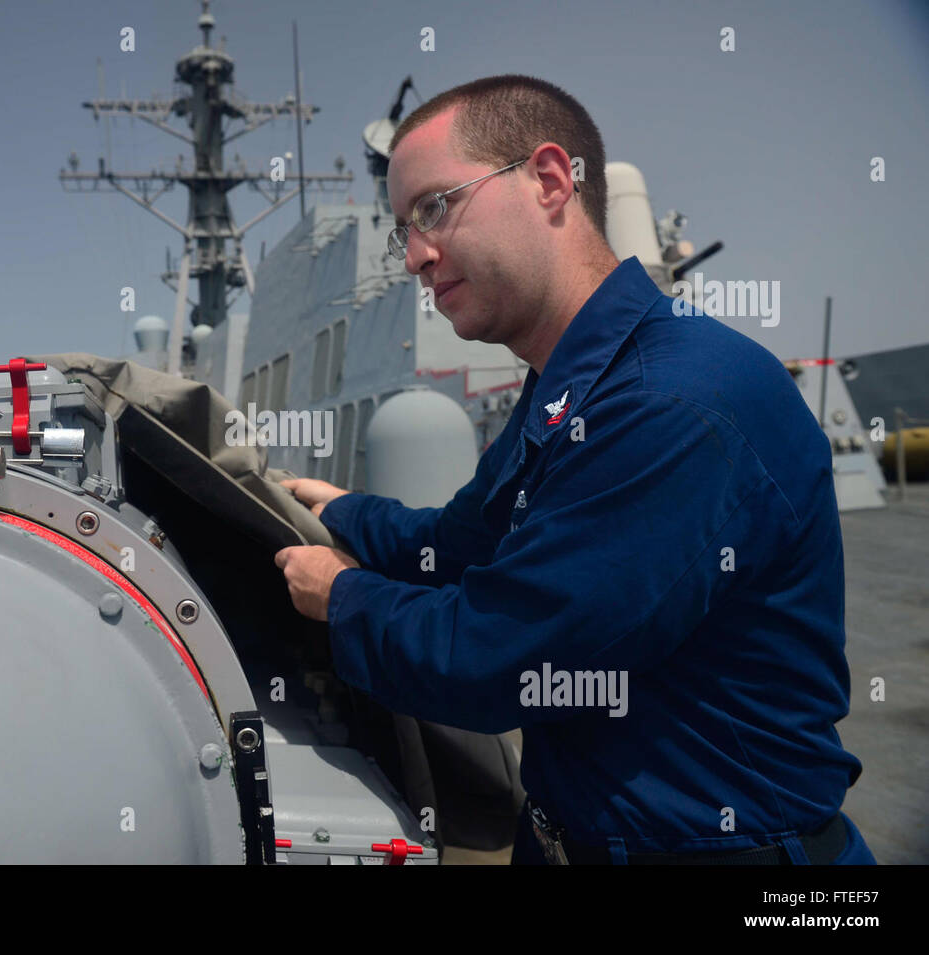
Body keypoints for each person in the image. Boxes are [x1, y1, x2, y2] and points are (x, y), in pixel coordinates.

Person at [273, 75, 875, 865]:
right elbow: (459, 543)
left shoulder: (671, 402)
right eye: (403, 230)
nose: (417, 254)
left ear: (551, 181)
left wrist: (341, 595)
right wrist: (345, 510)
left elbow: (498, 657)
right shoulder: (569, 387)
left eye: (434, 208)